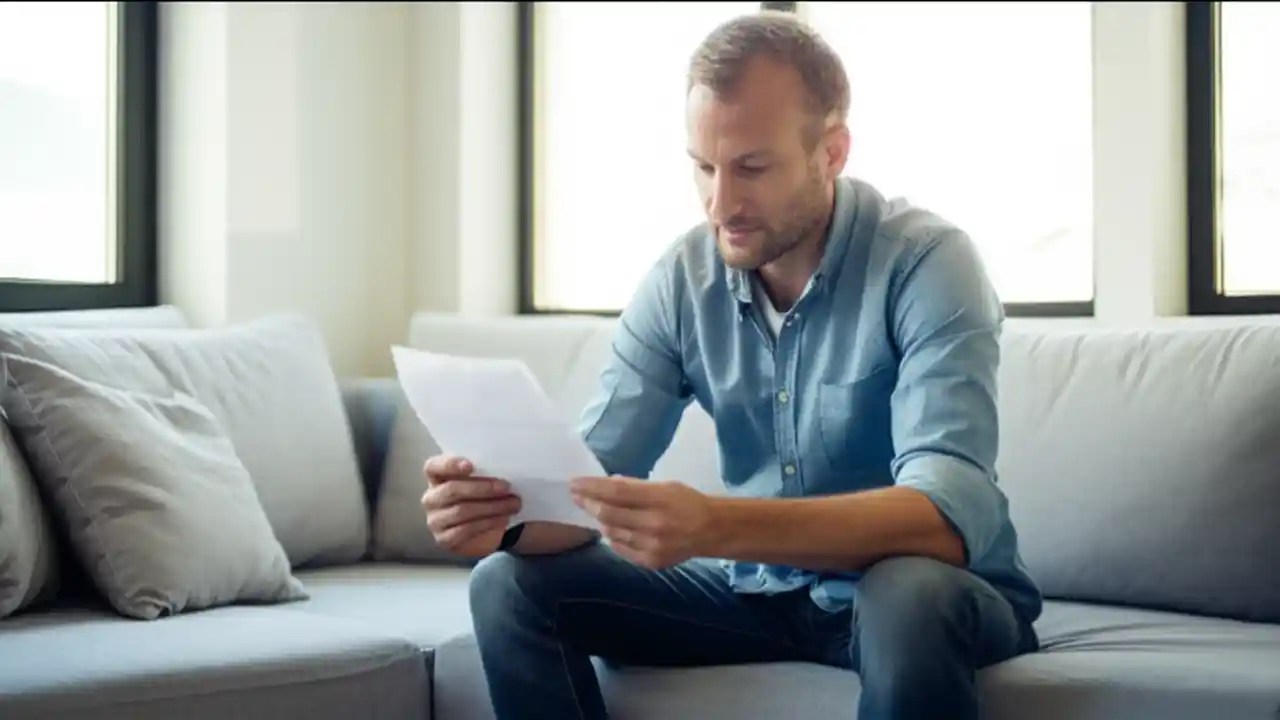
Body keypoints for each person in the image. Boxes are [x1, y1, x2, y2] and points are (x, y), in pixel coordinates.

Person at [419, 10, 1042, 720]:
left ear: (831, 152)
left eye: (751, 167)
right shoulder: (684, 279)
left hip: (929, 598)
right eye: (703, 166)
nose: (721, 204)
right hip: (758, 596)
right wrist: (501, 519)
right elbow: (584, 489)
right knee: (506, 582)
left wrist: (713, 525)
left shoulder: (928, 263)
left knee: (905, 592)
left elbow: (943, 515)